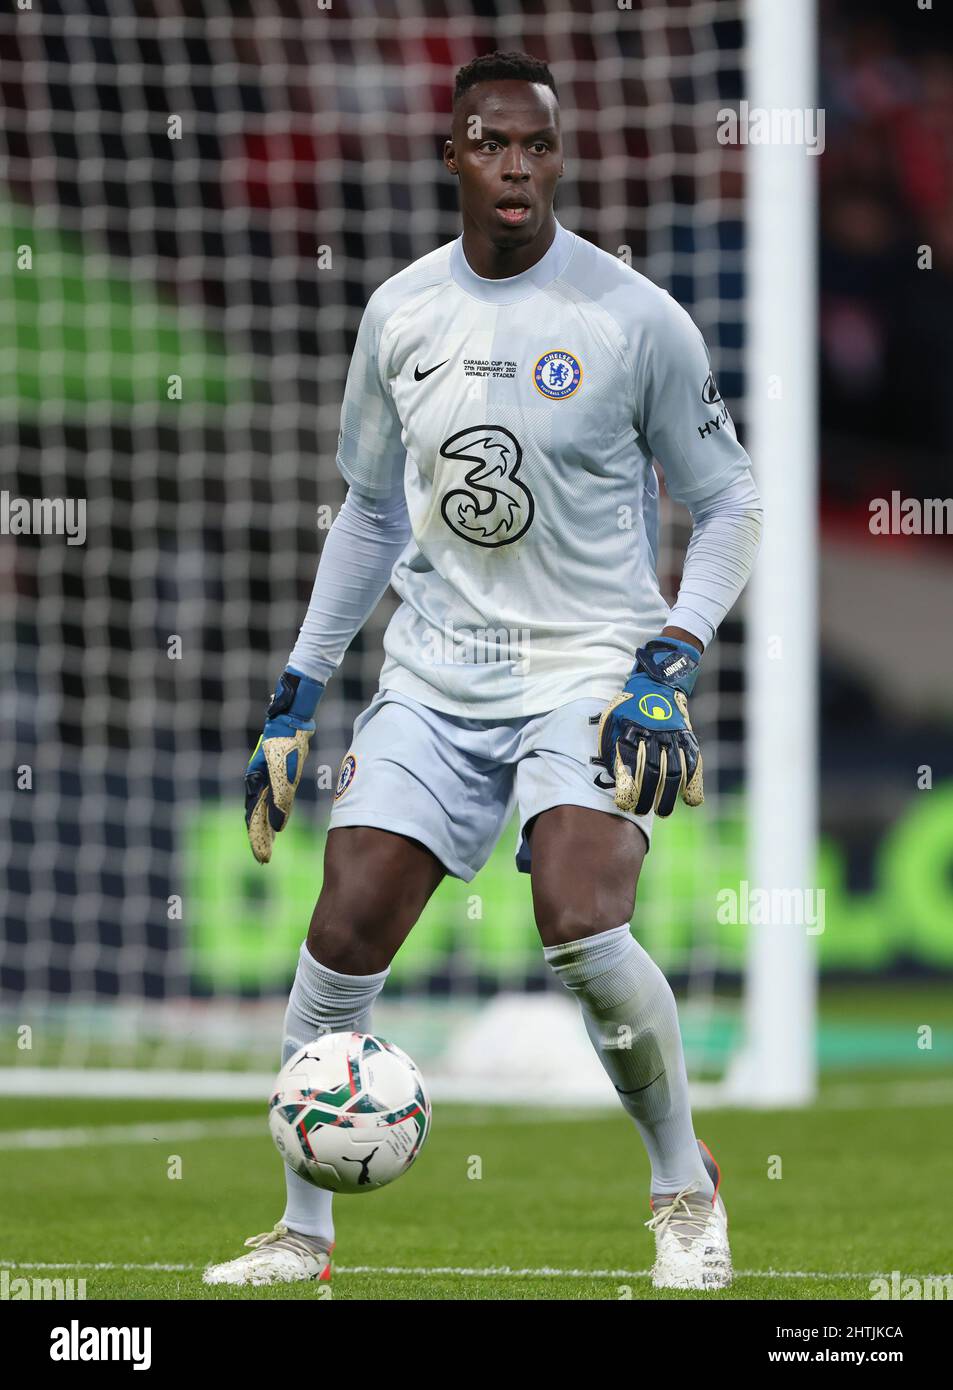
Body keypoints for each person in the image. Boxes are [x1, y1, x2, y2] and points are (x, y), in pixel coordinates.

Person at [205, 50, 762, 1292]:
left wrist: (668, 658)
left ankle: (684, 1189)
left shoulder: (633, 318)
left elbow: (728, 500)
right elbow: (365, 512)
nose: (515, 167)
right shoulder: (399, 312)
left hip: (589, 668)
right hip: (435, 673)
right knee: (343, 924)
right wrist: (298, 691)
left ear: (558, 160)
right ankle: (304, 1233)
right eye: (491, 143)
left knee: (577, 917)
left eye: (536, 147)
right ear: (449, 155)